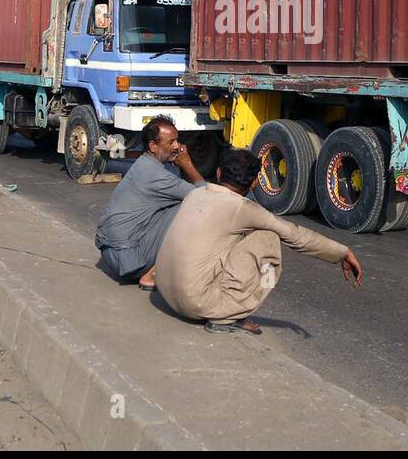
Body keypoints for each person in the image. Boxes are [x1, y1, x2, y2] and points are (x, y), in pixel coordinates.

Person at [155, 148, 363, 335]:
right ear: (254, 183)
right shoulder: (241, 207)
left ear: (218, 173)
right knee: (269, 238)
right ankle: (230, 313)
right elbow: (295, 235)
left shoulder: (196, 193)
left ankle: (224, 303)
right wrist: (342, 252)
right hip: (195, 303)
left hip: (166, 294)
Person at [95, 115, 205, 289]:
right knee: (190, 207)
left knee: (178, 203)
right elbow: (205, 197)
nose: (177, 147)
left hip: (114, 253)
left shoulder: (144, 164)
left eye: (177, 140)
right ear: (153, 146)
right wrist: (188, 164)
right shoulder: (156, 175)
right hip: (127, 259)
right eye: (172, 142)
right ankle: (153, 273)